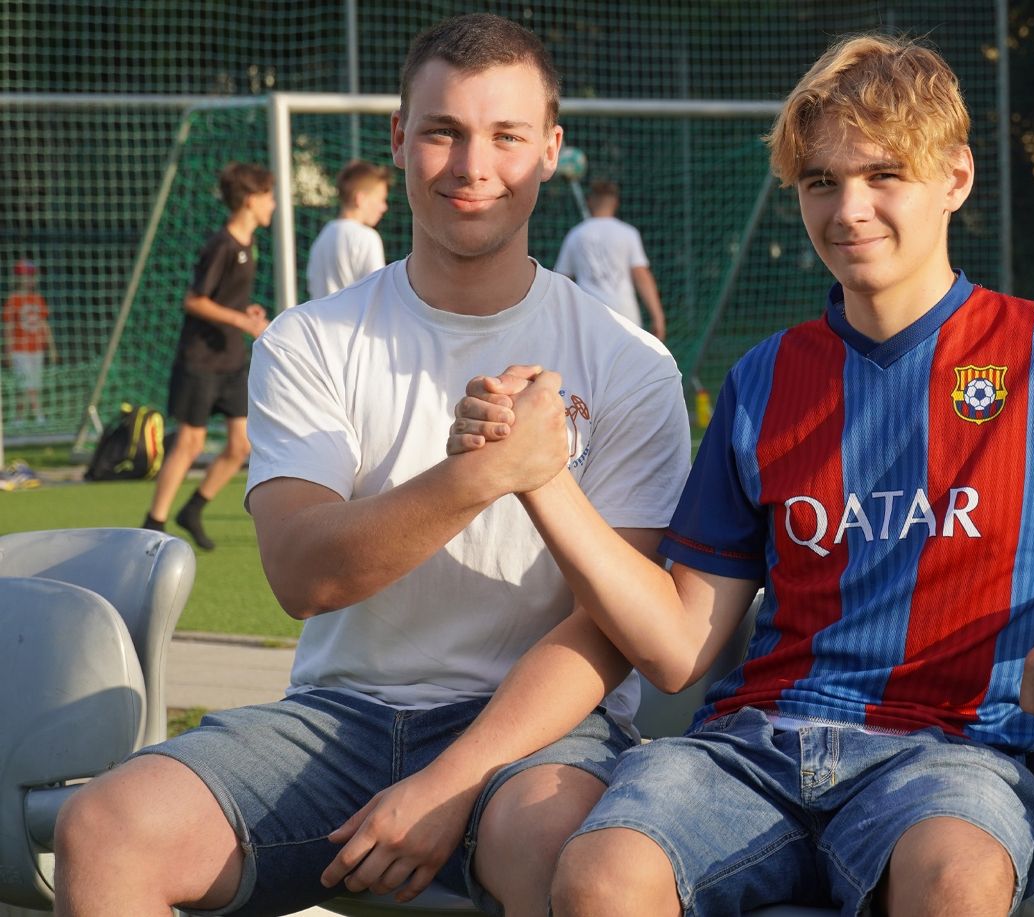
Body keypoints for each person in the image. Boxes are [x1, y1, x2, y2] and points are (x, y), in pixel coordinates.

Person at [454, 33, 1034, 916]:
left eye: (883, 175)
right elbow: (682, 647)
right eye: (821, 183)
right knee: (600, 875)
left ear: (954, 179)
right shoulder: (764, 378)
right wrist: (543, 480)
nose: (850, 210)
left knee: (955, 881)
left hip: (951, 757)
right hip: (750, 751)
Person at [55, 13, 688, 917]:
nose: (474, 165)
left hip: (538, 736)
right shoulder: (312, 339)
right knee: (108, 828)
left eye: (507, 136)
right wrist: (480, 472)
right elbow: (304, 573)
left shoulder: (629, 363)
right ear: (398, 140)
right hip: (339, 719)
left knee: (557, 846)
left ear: (551, 151)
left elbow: (614, 626)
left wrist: (453, 780)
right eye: (443, 131)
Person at [139, 162, 274, 552]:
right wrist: (239, 320)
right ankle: (154, 523)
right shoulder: (222, 245)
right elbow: (194, 300)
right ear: (250, 201)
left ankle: (194, 508)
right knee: (191, 444)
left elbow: (224, 298)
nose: (274, 204)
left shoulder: (248, 244)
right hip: (200, 360)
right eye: (268, 196)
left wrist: (244, 312)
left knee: (239, 446)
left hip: (231, 360)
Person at [554, 180, 667, 340]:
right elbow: (641, 275)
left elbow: (561, 280)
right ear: (615, 202)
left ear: (590, 201)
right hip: (626, 317)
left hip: (588, 318)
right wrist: (658, 317)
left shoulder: (576, 235)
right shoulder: (628, 233)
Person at [306, 160, 392, 300]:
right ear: (360, 199)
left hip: (320, 320)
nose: (384, 207)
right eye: (381, 199)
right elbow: (377, 294)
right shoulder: (367, 237)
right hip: (354, 321)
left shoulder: (322, 237)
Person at [2, 258, 57, 424]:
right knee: (25, 384)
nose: (29, 279)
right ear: (18, 278)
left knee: (34, 383)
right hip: (20, 350)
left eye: (31, 276)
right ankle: (38, 415)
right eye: (25, 276)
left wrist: (52, 348)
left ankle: (20, 418)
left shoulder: (37, 299)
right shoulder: (13, 300)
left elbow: (44, 324)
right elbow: (8, 327)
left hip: (36, 349)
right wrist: (8, 351)